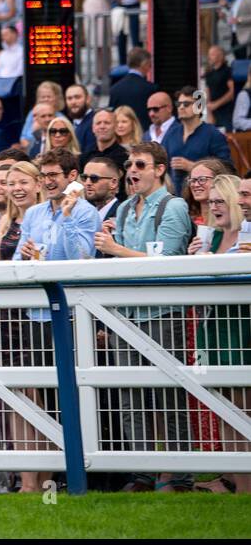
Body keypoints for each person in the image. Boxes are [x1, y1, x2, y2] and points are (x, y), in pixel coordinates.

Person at [93, 141, 194, 492]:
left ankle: (180, 476)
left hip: (162, 310)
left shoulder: (174, 206)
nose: (132, 171)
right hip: (126, 313)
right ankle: (142, 474)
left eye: (140, 164)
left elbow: (167, 262)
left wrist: (115, 249)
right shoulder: (122, 209)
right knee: (130, 395)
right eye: (130, 165)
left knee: (169, 396)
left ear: (160, 169)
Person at [192, 174, 251, 495]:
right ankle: (234, 480)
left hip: (240, 324)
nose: (213, 207)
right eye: (210, 201)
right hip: (212, 324)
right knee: (223, 404)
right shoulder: (210, 238)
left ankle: (245, 484)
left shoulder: (247, 234)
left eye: (220, 201)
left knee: (243, 403)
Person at [162, 86, 231, 194]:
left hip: (205, 197)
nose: (181, 107)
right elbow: (160, 163)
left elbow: (227, 169)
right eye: (178, 104)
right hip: (174, 198)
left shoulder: (213, 134)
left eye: (186, 104)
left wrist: (193, 166)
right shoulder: (171, 134)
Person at [108, 47, 158, 125]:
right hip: (144, 134)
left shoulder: (115, 89)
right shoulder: (150, 88)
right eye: (149, 64)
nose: (150, 67)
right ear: (144, 64)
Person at [79, 108, 129, 174]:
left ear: (116, 127)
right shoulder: (84, 156)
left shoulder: (124, 156)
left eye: (107, 123)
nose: (102, 126)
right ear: (93, 128)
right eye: (98, 123)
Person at [204, 45, 236, 131]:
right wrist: (209, 113)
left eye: (212, 54)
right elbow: (208, 94)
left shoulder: (228, 71)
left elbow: (232, 92)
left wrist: (216, 104)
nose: (209, 57)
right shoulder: (209, 73)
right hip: (214, 114)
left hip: (227, 112)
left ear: (220, 56)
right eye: (209, 54)